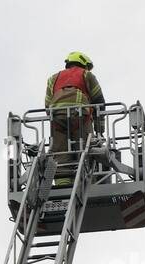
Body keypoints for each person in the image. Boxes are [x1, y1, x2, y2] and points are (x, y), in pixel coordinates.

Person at [44, 51, 105, 186]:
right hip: (80, 117)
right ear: (84, 64)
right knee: (86, 150)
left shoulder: (53, 78)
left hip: (57, 118)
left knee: (60, 154)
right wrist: (100, 129)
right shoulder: (86, 75)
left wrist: (55, 118)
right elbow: (99, 102)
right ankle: (88, 182)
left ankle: (63, 185)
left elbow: (47, 105)